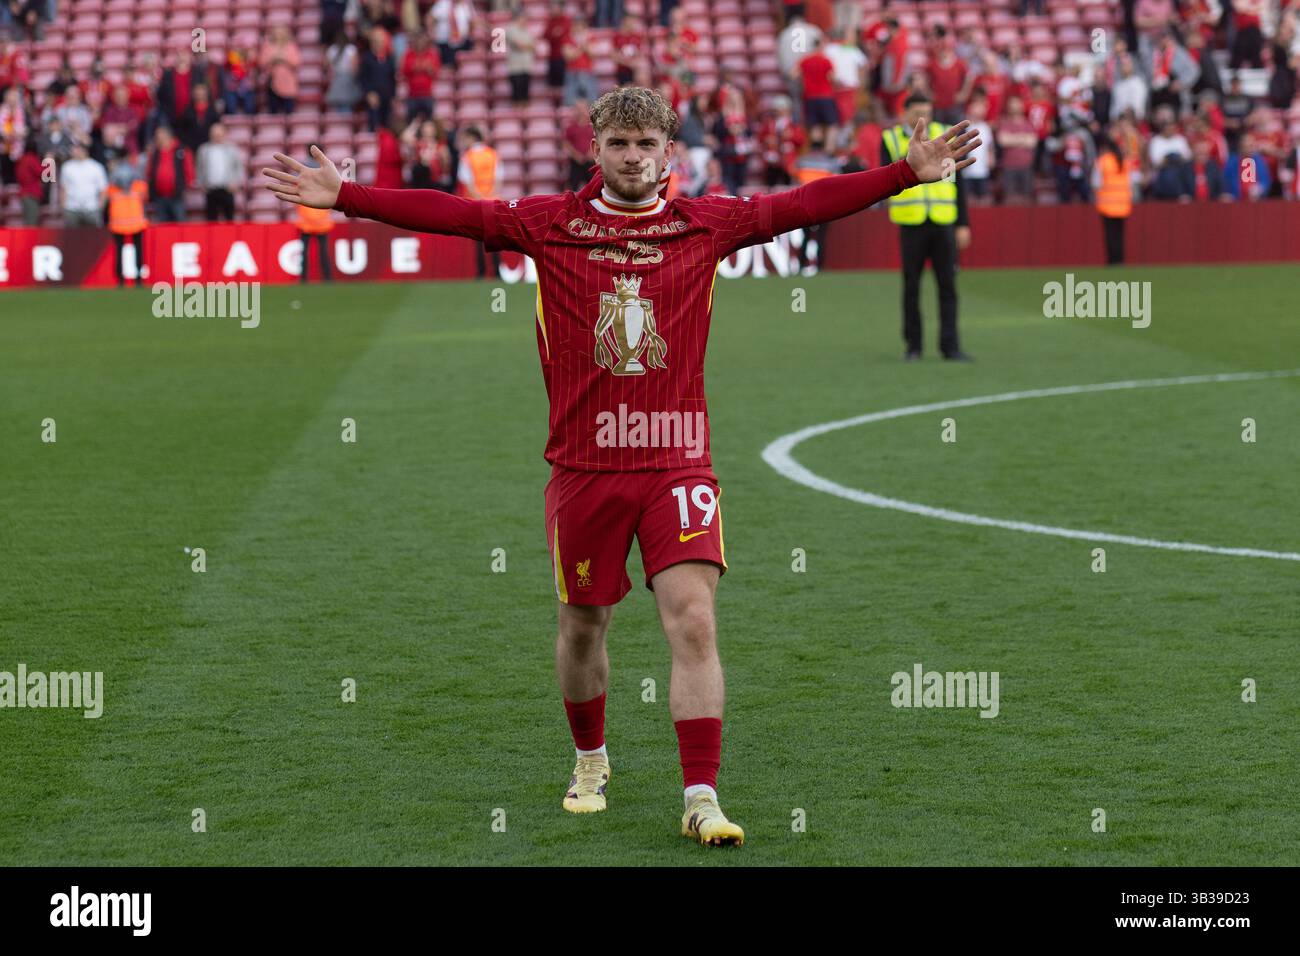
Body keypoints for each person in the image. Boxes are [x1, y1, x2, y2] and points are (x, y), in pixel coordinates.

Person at [263, 85, 978, 846]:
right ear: (594, 150)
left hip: (678, 463)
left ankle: (701, 796)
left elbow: (805, 204)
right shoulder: (548, 224)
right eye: (619, 144)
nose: (633, 157)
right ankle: (590, 758)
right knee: (582, 626)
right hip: (583, 469)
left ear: (670, 151)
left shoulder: (708, 223)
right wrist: (347, 196)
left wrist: (904, 173)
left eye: (647, 144)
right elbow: (453, 213)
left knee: (695, 621)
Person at [880, 93, 973, 361]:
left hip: (944, 221)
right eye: (918, 112)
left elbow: (959, 180)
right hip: (911, 222)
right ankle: (914, 347)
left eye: (928, 112)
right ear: (905, 113)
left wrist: (963, 223)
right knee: (911, 287)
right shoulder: (891, 138)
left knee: (948, 286)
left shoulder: (945, 135)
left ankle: (950, 346)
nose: (924, 118)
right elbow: (884, 178)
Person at [454, 124, 502, 278]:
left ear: (472, 138)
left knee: (478, 240)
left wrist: (479, 197)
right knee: (495, 238)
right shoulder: (493, 154)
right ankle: (497, 272)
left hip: (476, 202)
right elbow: (499, 179)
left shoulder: (467, 157)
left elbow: (467, 182)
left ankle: (481, 272)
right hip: (493, 201)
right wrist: (491, 195)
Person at [107, 161, 148, 287]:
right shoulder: (139, 186)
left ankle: (121, 280)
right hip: (135, 224)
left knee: (121, 252)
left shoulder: (112, 187)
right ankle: (137, 279)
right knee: (137, 251)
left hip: (119, 224)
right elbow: (145, 197)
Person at [1094, 137, 1133, 264]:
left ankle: (1112, 260)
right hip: (1123, 204)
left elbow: (1095, 182)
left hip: (1107, 204)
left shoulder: (1103, 161)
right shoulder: (1125, 161)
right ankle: (1120, 260)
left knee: (1110, 235)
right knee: (1120, 234)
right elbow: (1131, 182)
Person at [196, 123, 245, 221]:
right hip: (211, 189)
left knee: (229, 218)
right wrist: (201, 183)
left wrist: (236, 182)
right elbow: (199, 168)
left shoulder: (232, 149)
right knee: (211, 219)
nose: (217, 136)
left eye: (219, 134)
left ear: (224, 134)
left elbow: (238, 167)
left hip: (227, 188)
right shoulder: (204, 150)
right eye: (215, 134)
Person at [146, 126, 194, 222]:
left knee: (180, 223)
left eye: (159, 137)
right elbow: (149, 172)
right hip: (159, 196)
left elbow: (189, 170)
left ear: (167, 137)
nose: (157, 140)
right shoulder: (155, 153)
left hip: (176, 195)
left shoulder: (181, 150)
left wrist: (185, 186)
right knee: (162, 225)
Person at [60, 141, 108, 227]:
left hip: (92, 208)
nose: (73, 152)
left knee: (93, 237)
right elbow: (63, 188)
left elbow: (103, 189)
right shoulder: (67, 167)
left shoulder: (96, 167)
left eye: (76, 150)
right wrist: (64, 207)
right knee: (72, 238)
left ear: (84, 151)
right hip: (72, 208)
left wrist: (100, 208)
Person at [297, 202, 335, 282]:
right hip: (318, 225)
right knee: (322, 252)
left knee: (308, 253)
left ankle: (304, 278)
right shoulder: (323, 191)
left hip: (309, 225)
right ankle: (327, 278)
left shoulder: (303, 191)